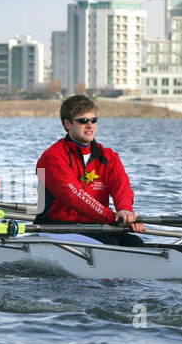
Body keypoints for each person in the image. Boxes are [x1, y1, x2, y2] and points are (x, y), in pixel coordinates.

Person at [35, 94, 145, 246]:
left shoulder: (109, 156)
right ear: (67, 124)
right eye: (83, 121)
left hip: (96, 226)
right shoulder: (52, 157)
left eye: (93, 120)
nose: (90, 125)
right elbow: (74, 196)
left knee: (135, 243)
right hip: (57, 227)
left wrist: (126, 212)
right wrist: (112, 217)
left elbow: (122, 187)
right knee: (111, 243)